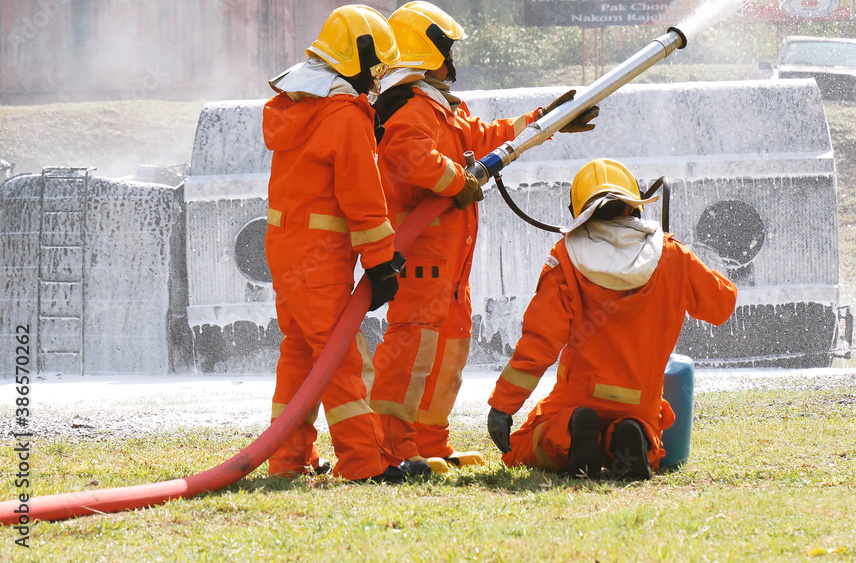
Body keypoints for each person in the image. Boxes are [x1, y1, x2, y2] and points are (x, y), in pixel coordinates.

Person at [368, 1, 599, 472]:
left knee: (447, 358)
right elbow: (408, 156)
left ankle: (431, 443)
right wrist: (458, 180)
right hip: (420, 264)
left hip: (451, 269)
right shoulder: (410, 109)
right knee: (412, 356)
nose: (454, 56)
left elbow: (490, 137)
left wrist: (545, 120)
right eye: (448, 47)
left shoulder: (444, 110)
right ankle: (393, 450)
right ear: (428, 51)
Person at [485, 158, 738, 480]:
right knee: (646, 435)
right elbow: (721, 306)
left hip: (577, 397)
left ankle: (574, 431)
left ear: (578, 210)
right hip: (639, 400)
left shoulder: (565, 256)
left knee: (525, 446)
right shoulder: (673, 255)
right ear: (635, 205)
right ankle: (631, 433)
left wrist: (503, 404)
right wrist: (688, 268)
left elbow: (540, 341)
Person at [262, 5, 425, 482]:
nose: (375, 86)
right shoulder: (345, 115)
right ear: (360, 63)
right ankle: (364, 463)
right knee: (339, 356)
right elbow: (362, 197)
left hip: (287, 251)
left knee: (301, 351)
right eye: (376, 74)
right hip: (320, 260)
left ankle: (288, 460)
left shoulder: (294, 105)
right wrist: (380, 265)